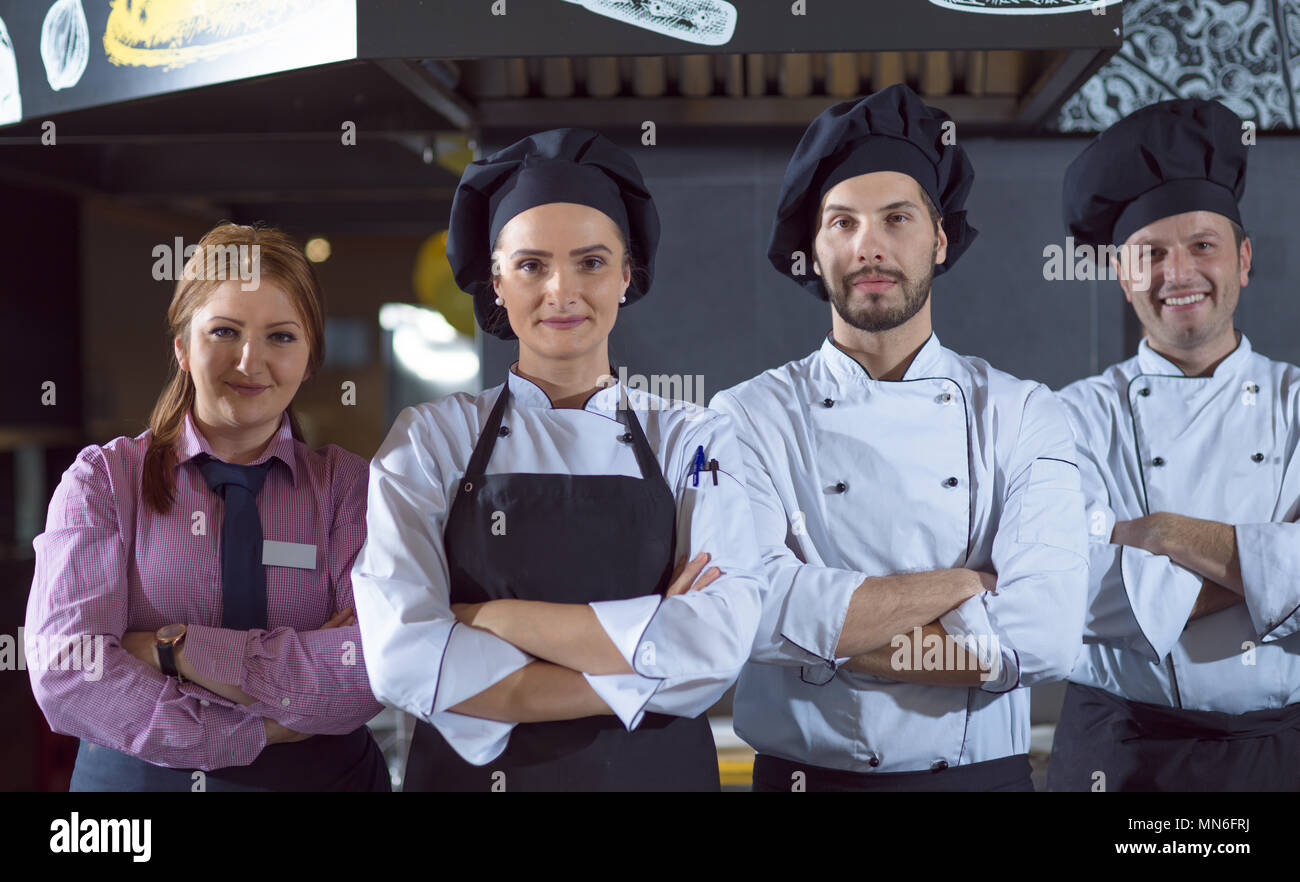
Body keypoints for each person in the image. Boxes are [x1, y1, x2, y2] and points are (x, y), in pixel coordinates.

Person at [350, 128, 767, 792]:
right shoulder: (431, 439)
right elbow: (401, 659)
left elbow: (717, 645)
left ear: (627, 275)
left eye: (592, 262)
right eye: (532, 264)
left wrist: (489, 620)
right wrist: (645, 665)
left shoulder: (695, 438)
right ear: (495, 282)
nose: (561, 290)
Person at [709, 84, 1089, 792]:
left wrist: (825, 641)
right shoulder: (746, 417)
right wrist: (965, 586)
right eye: (842, 222)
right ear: (813, 249)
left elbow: (1046, 634)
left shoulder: (1023, 411)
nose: (869, 246)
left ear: (939, 239)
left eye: (896, 218)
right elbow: (746, 616)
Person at [26, 223, 389, 791]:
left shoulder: (348, 489)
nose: (251, 361)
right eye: (224, 330)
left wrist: (176, 651)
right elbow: (70, 671)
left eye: (282, 337)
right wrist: (256, 730)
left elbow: (369, 668)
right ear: (183, 348)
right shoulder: (102, 482)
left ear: (310, 355)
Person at [1047, 98, 1300, 791]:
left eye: (1202, 245)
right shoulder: (1068, 419)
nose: (1177, 272)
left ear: (1244, 260)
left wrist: (1160, 533)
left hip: (1279, 756)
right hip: (1121, 750)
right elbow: (1068, 592)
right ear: (1122, 275)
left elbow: (1118, 586)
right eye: (1150, 253)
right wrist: (1272, 569)